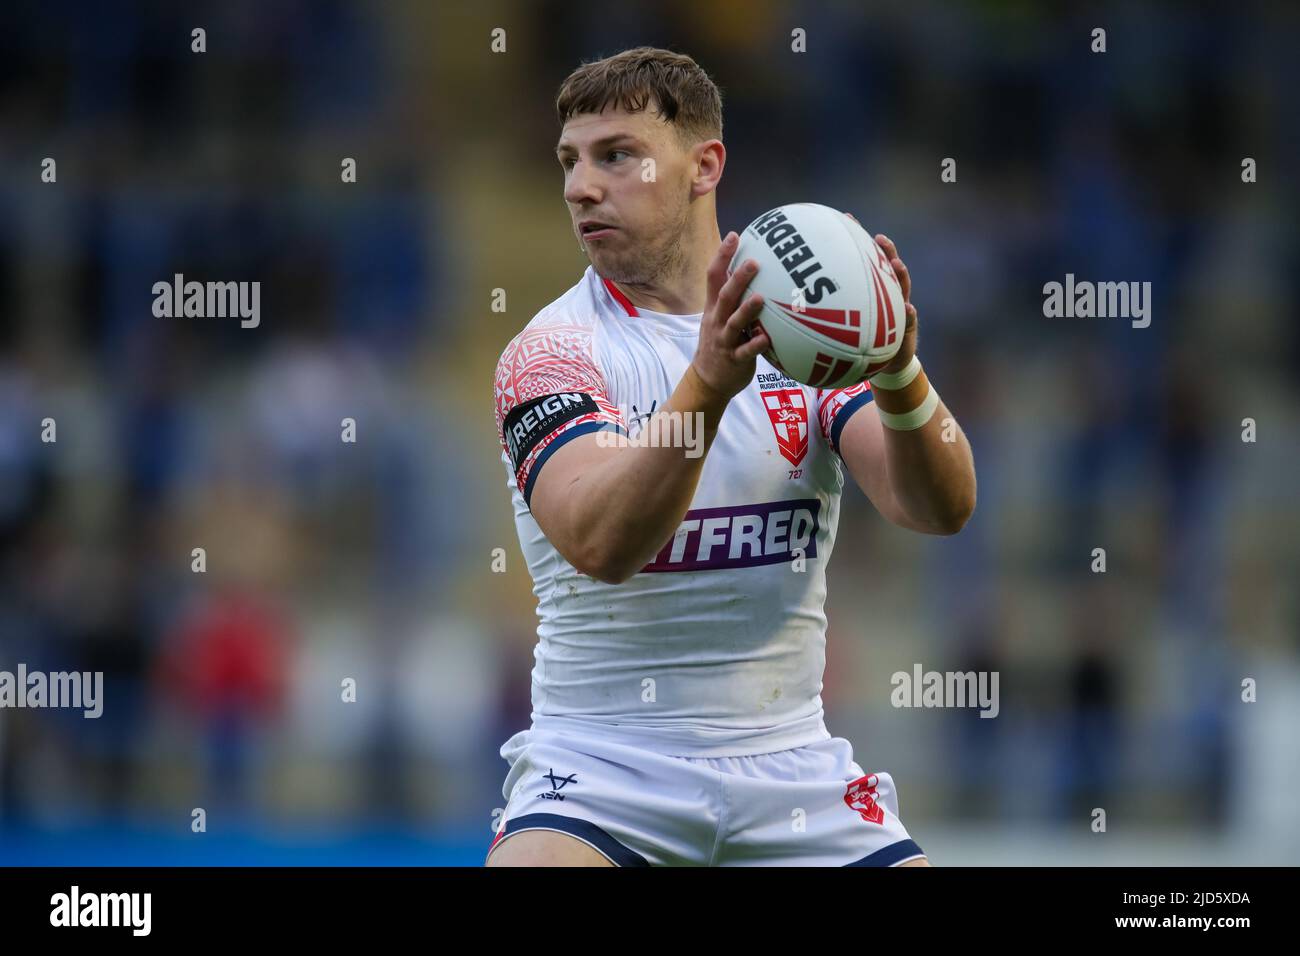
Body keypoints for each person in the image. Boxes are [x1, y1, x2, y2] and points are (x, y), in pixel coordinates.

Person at [488, 47, 975, 866]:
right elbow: (604, 544)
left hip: (794, 773)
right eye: (570, 161)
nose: (580, 186)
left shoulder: (806, 328)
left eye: (616, 156)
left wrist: (897, 367)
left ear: (704, 165)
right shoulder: (552, 352)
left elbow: (937, 508)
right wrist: (710, 383)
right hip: (604, 767)